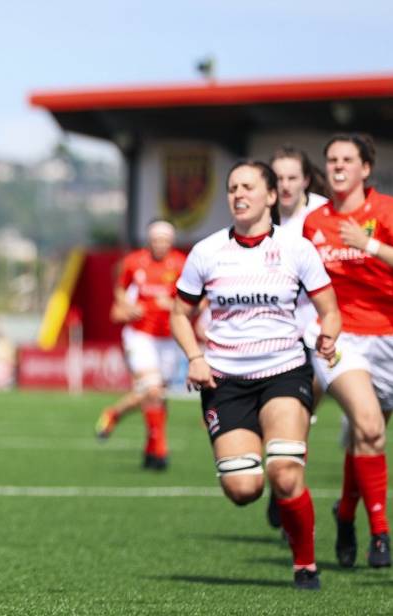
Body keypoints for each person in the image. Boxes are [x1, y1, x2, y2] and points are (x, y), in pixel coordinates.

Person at [171, 160, 341, 589]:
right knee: (243, 489)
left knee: (284, 471)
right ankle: (277, 491)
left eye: (248, 186)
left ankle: (305, 564)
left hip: (284, 370)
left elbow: (330, 309)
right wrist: (194, 356)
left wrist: (328, 337)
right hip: (224, 380)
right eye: (232, 187)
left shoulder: (297, 248)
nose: (238, 194)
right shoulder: (206, 251)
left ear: (270, 196)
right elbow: (179, 313)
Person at [301, 133, 393, 569]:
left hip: (388, 337)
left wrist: (370, 246)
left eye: (347, 159)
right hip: (340, 338)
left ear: (365, 168)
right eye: (331, 158)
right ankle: (380, 534)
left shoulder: (386, 211)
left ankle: (345, 513)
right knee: (370, 426)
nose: (338, 165)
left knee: (365, 437)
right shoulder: (313, 222)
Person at [262, 146, 329, 530]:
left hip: (322, 326)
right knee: (286, 416)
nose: (285, 185)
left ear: (305, 179)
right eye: (279, 178)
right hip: (278, 330)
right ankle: (282, 485)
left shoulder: (322, 214)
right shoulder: (261, 218)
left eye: (292, 177)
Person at [95, 219, 187, 470]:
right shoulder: (134, 262)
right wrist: (127, 306)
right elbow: (120, 291)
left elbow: (195, 300)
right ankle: (159, 452)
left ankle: (115, 415)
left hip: (169, 337)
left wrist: (176, 307)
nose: (160, 244)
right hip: (140, 335)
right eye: (156, 239)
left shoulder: (182, 264)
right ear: (149, 240)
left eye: (165, 240)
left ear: (172, 241)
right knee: (153, 389)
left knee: (154, 394)